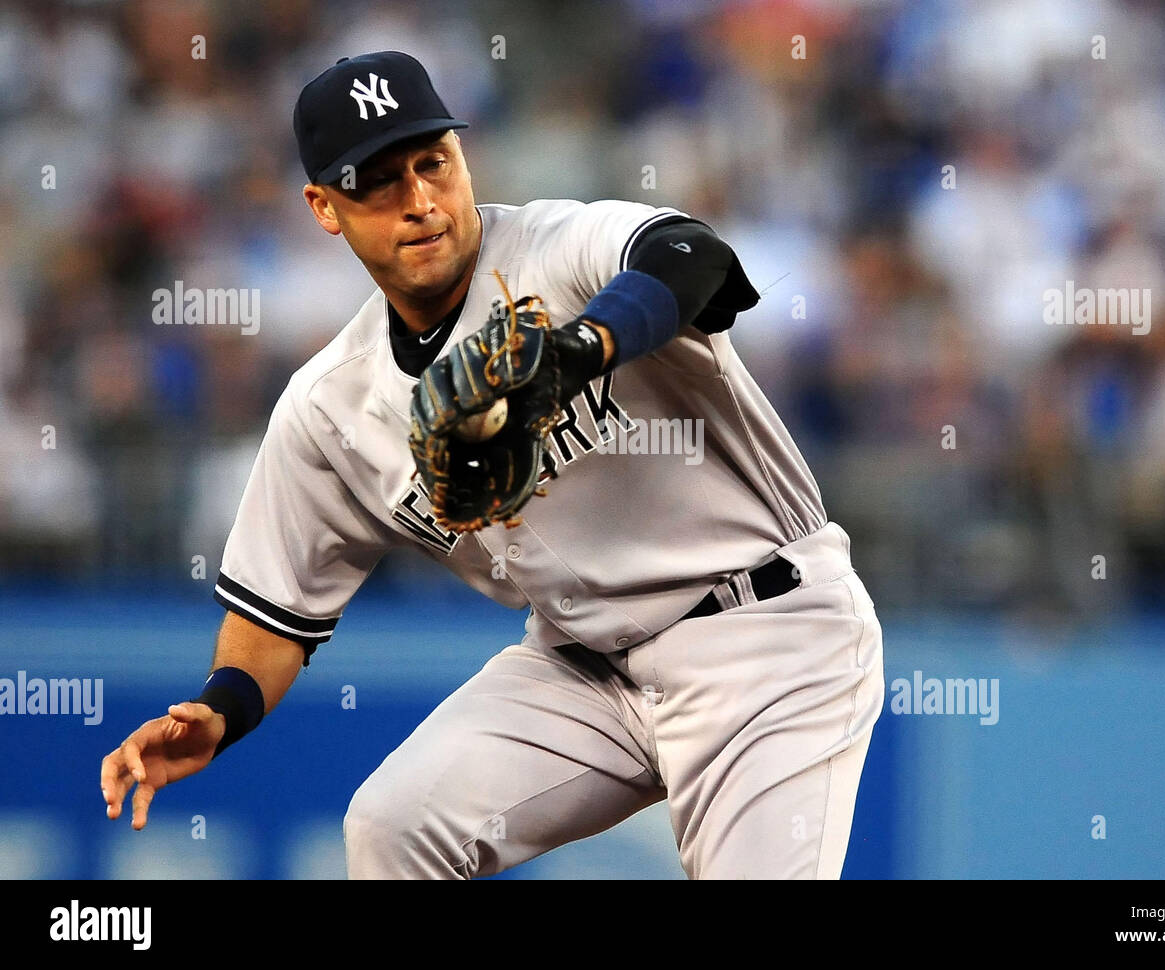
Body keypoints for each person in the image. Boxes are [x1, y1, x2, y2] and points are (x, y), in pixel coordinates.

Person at [100, 50, 884, 880]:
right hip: (581, 668)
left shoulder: (557, 248)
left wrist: (579, 349)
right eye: (378, 181)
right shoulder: (330, 405)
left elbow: (692, 256)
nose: (420, 200)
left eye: (431, 161)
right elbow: (275, 613)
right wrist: (219, 711)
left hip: (765, 632)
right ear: (324, 207)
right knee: (393, 826)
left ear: (461, 155)